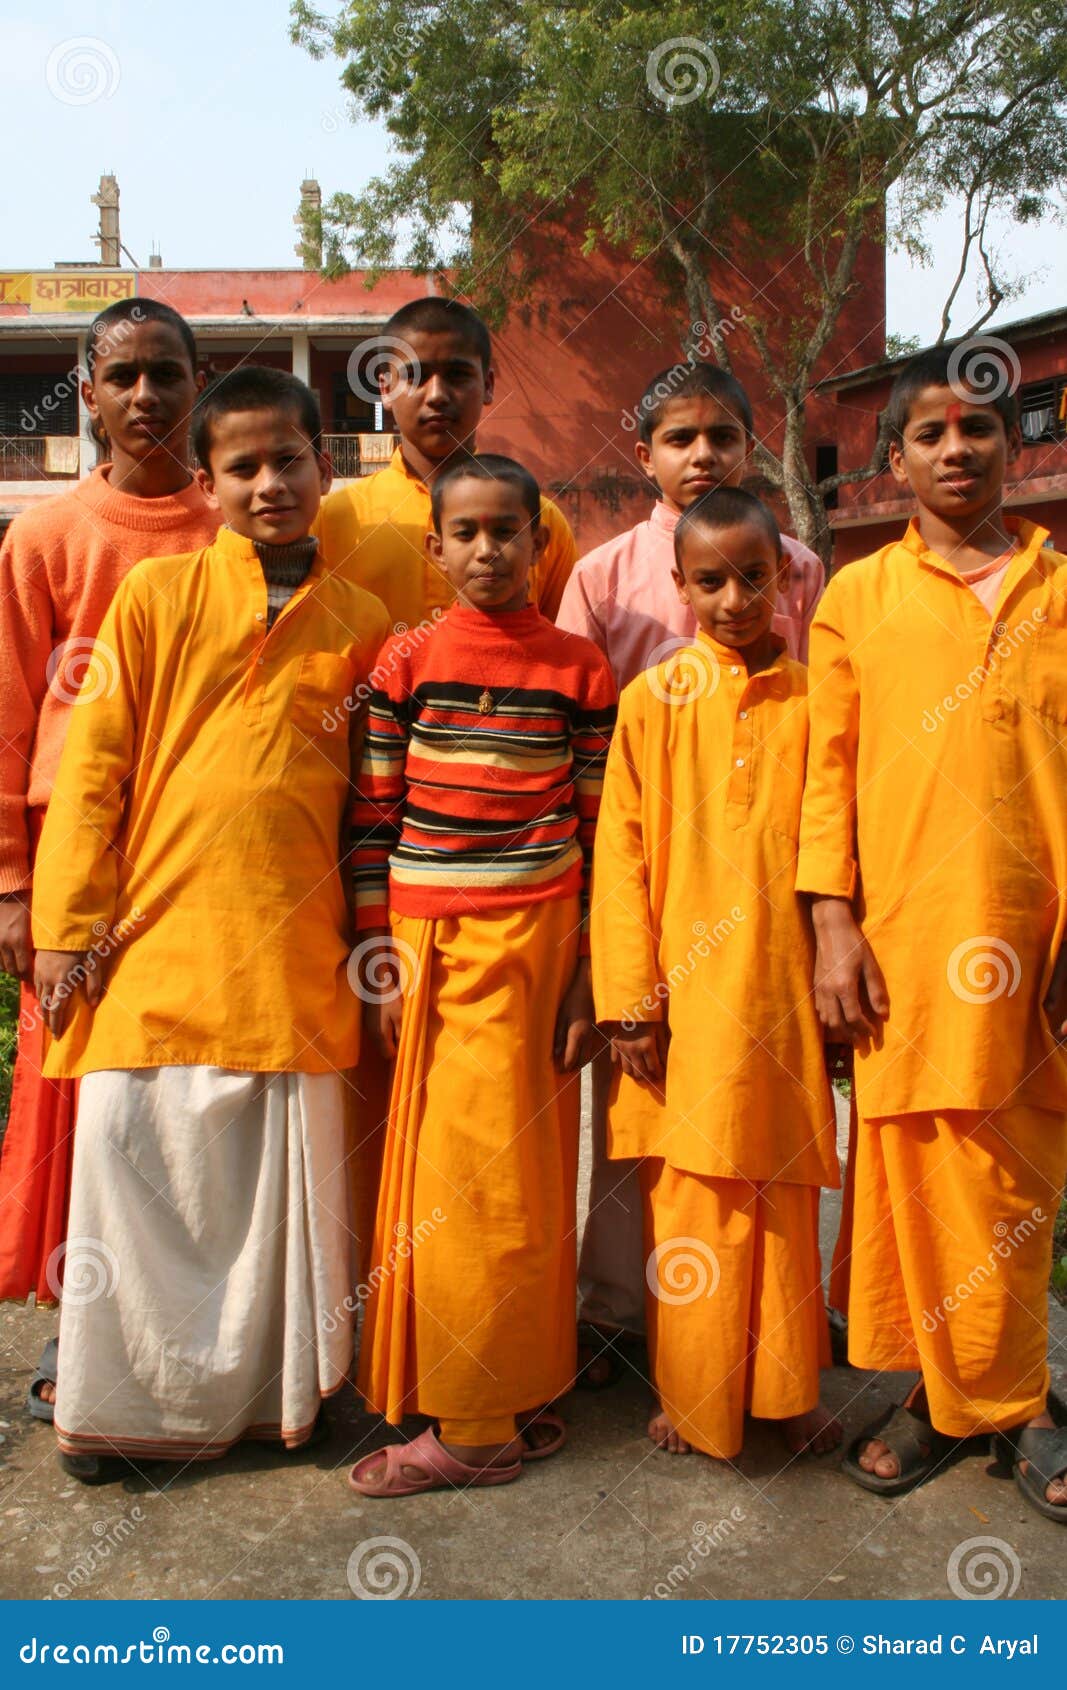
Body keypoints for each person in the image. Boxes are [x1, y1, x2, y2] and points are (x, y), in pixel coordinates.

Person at [31, 366, 390, 1482]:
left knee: (280, 1206)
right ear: (209, 482)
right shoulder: (156, 596)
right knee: (137, 1170)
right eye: (243, 467)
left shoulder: (367, 621)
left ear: (325, 469)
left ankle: (276, 1407)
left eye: (289, 460)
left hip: (293, 950)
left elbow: (374, 803)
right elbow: (93, 770)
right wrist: (64, 924)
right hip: (150, 941)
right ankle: (120, 1410)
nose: (270, 482)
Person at [798, 344, 1067, 1520]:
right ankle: (947, 1399)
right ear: (890, 460)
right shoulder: (856, 597)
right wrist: (830, 924)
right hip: (905, 934)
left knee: (1016, 1177)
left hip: (1040, 943)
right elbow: (827, 775)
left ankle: (1014, 1401)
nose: (955, 449)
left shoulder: (1061, 592)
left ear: (1017, 448)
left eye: (978, 430)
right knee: (912, 1173)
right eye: (928, 434)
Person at [347, 453, 616, 1496]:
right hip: (419, 940)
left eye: (509, 531)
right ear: (435, 546)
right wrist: (376, 953)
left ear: (539, 543)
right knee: (438, 1178)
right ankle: (489, 1381)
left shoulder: (578, 667)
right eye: (466, 532)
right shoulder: (401, 658)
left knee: (494, 1181)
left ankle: (475, 1424)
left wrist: (589, 973)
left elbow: (596, 837)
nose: (488, 550)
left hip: (531, 938)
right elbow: (371, 821)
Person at [555, 362, 825, 1386]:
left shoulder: (794, 563)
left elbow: (821, 724)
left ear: (750, 449)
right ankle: (633, 1319)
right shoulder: (602, 571)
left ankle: (773, 1335)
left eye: (720, 434)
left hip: (760, 883)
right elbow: (588, 732)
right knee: (645, 1119)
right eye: (678, 437)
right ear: (644, 454)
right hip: (653, 864)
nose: (700, 453)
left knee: (765, 1113)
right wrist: (611, 958)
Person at [317, 295, 579, 1275]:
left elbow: (555, 672)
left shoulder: (536, 518)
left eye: (456, 373)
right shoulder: (339, 513)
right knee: (377, 1083)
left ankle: (501, 1299)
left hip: (507, 872)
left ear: (487, 386)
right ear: (382, 383)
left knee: (494, 1105)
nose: (434, 392)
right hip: (375, 842)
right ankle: (381, 1305)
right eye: (411, 371)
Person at [0, 298, 218, 1422]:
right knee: (74, 1108)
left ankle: (184, 1339)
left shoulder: (232, 531)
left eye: (165, 375)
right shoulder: (42, 537)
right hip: (76, 875)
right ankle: (76, 1341)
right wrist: (13, 883)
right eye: (122, 375)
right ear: (85, 390)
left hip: (196, 870)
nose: (144, 398)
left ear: (197, 386)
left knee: (183, 1111)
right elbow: (4, 714)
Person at [592, 486, 841, 1460]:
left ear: (784, 576)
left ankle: (786, 1393)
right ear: (678, 585)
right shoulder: (650, 701)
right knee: (691, 1199)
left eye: (752, 577)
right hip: (680, 1005)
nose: (734, 598)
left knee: (781, 1195)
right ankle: (695, 1398)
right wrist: (628, 1001)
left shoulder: (818, 699)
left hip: (780, 996)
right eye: (711, 581)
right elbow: (619, 857)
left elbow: (835, 843)